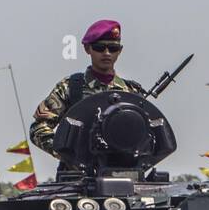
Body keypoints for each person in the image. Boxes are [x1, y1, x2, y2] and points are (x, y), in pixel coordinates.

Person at [30, 19, 146, 157]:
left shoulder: (131, 92)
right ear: (87, 49)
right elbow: (38, 129)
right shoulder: (71, 87)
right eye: (99, 47)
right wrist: (70, 153)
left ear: (120, 51)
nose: (107, 53)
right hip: (78, 175)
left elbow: (148, 136)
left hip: (124, 173)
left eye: (113, 48)